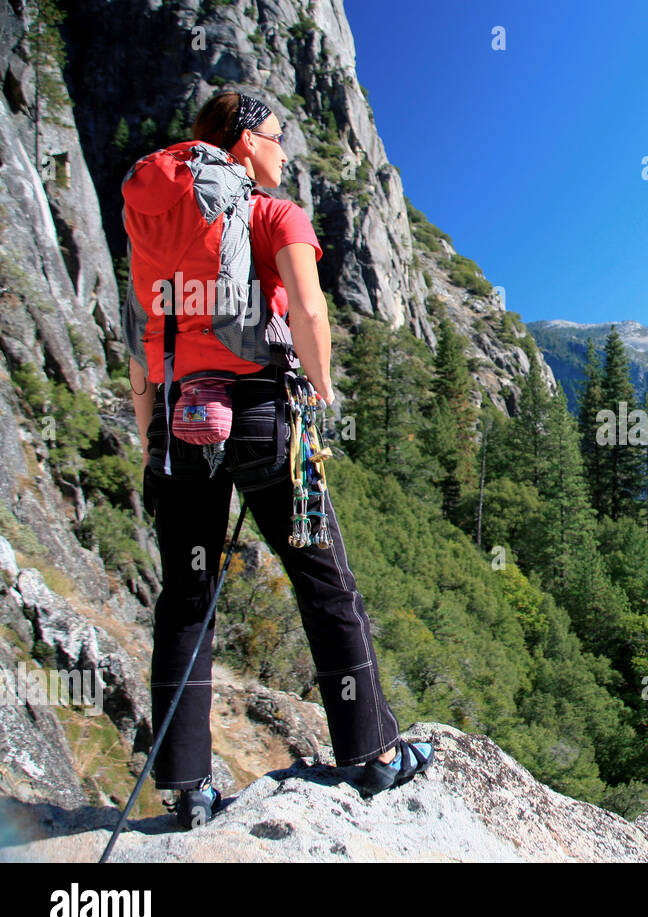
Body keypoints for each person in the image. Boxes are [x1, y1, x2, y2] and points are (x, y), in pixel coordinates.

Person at [124, 91, 431, 827]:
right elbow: (310, 307)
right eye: (275, 135)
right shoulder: (272, 214)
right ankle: (370, 753)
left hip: (179, 420)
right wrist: (319, 391)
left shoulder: (155, 221)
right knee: (326, 584)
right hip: (263, 419)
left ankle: (187, 788)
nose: (285, 149)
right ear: (243, 144)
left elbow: (143, 337)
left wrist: (150, 432)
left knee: (186, 601)